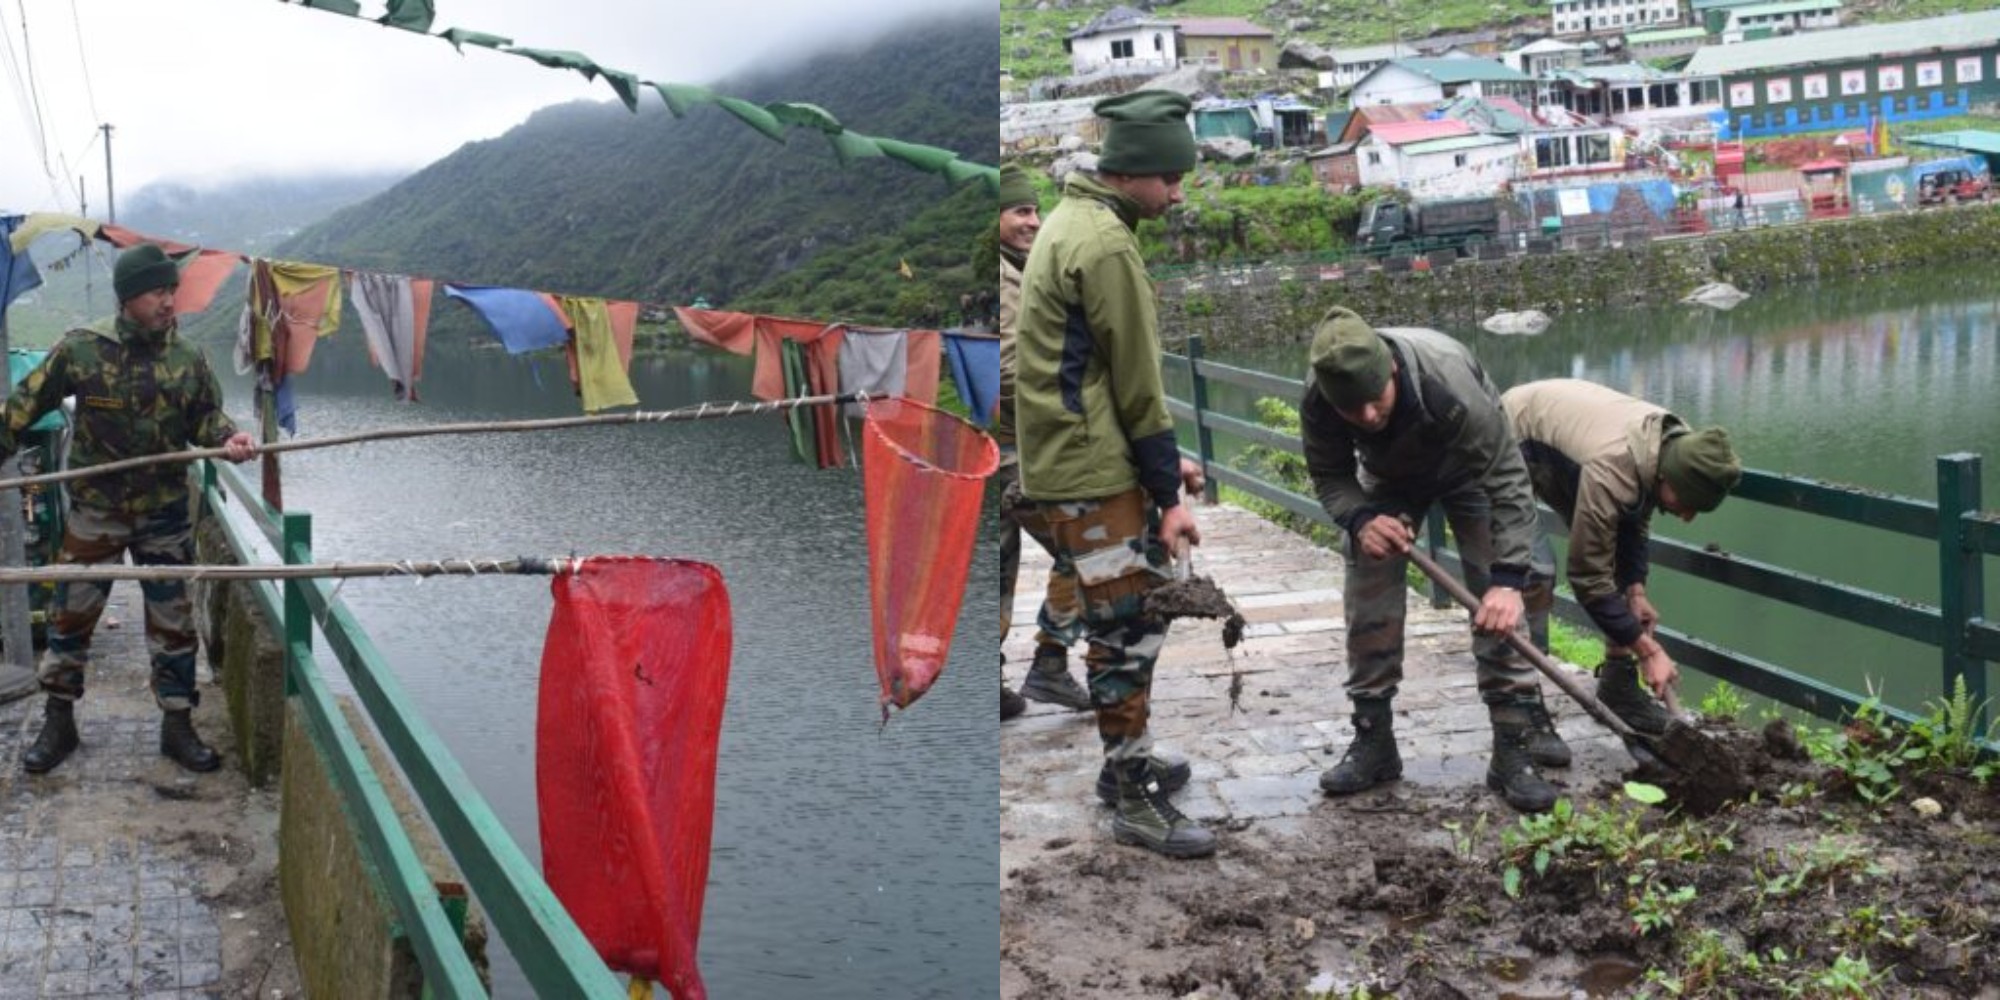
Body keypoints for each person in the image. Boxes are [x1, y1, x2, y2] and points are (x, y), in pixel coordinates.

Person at [1012, 90, 1212, 858]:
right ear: (1134, 172)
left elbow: (1098, 376)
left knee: (1116, 618)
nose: (1178, 192)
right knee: (1126, 627)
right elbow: (1136, 381)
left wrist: (1162, 463)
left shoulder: (1072, 222)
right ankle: (1132, 797)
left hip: (1081, 457)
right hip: (1092, 473)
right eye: (1172, 178)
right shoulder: (1106, 246)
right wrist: (1167, 497)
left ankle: (1126, 761)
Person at [3, 243, 258, 775]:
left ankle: (177, 724)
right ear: (128, 297)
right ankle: (59, 720)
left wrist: (230, 436)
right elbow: (21, 410)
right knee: (71, 615)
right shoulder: (82, 351)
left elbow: (205, 420)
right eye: (158, 291)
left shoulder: (188, 359)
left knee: (173, 621)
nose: (169, 301)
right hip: (97, 508)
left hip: (164, 510)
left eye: (172, 290)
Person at [1301, 307, 1565, 814]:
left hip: (1472, 472)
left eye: (1376, 402)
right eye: (1353, 412)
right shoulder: (1320, 394)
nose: (1369, 417)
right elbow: (1330, 475)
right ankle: (1374, 739)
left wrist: (1507, 581)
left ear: (1392, 372)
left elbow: (1509, 481)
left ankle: (1513, 747)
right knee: (1366, 573)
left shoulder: (1447, 381)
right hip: (1390, 477)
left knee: (1502, 593)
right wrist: (1359, 520)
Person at [1501, 379, 1741, 738]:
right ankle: (1523, 704)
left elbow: (1635, 517)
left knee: (1614, 568)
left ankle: (1618, 689)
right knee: (1533, 573)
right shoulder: (1614, 467)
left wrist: (1635, 591)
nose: (1687, 517)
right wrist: (1647, 650)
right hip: (1514, 438)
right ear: (1666, 477)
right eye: (1686, 504)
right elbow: (1586, 577)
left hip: (1572, 450)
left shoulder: (1675, 446)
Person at [995, 162, 1092, 721]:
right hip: (1020, 448)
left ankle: (997, 680)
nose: (1033, 221)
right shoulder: (1006, 279)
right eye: (1020, 211)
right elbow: (1008, 370)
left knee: (998, 563)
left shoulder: (1024, 268)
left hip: (1001, 448)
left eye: (1035, 210)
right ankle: (1051, 662)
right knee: (1088, 545)